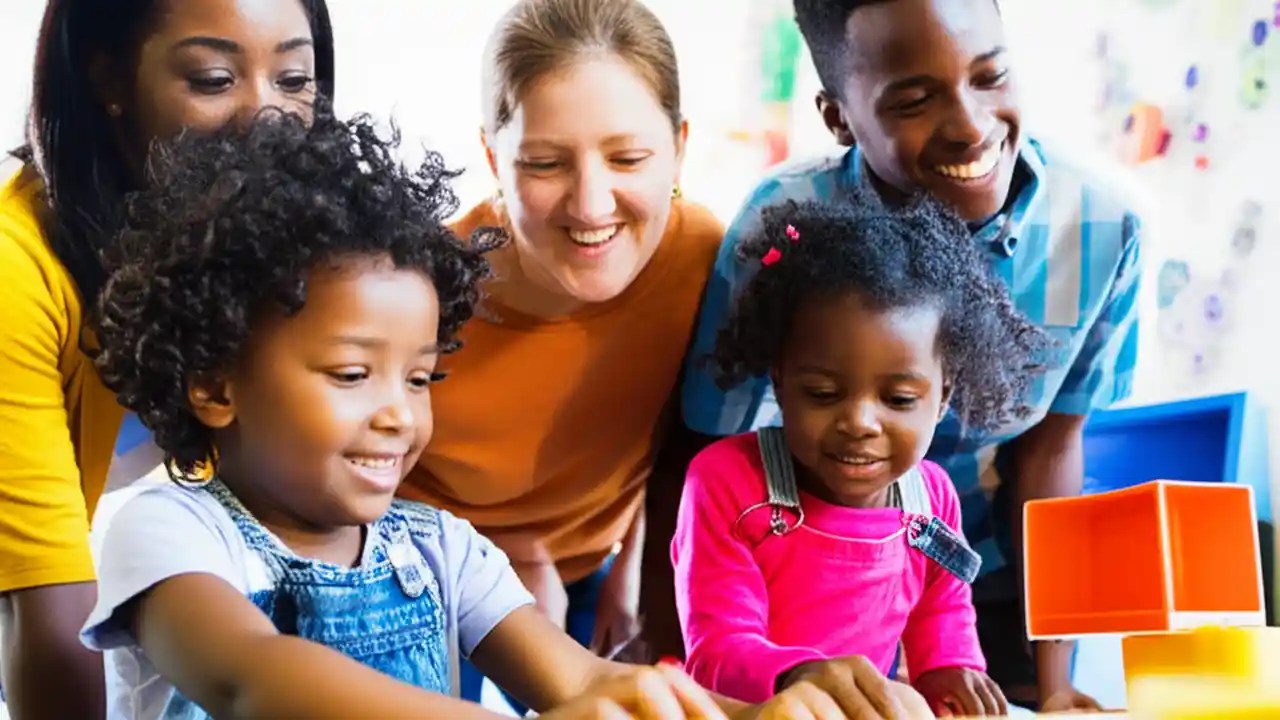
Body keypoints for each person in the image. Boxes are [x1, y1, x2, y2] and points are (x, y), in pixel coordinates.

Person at [678, 0, 1143, 711]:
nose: (968, 125)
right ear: (837, 115)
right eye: (917, 99)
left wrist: (1049, 685)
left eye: (990, 77)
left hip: (986, 574)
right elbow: (702, 453)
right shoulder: (779, 224)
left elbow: (1049, 458)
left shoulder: (1106, 229)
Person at [0, 1, 334, 716]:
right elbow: (50, 619)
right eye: (214, 79)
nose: (267, 116)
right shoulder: (13, 274)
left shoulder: (267, 239)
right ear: (108, 80)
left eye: (294, 77)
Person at [397, 0, 723, 706]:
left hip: (594, 567)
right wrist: (492, 568)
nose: (591, 204)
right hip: (418, 568)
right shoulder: (416, 290)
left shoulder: (708, 262)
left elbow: (686, 431)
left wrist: (639, 563)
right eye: (545, 164)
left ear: (679, 147)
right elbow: (330, 480)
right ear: (492, 157)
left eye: (628, 158)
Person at [674, 196, 1048, 716]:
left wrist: (948, 667)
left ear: (941, 397)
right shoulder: (727, 482)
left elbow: (940, 607)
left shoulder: (931, 498)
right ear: (780, 378)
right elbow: (717, 651)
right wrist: (799, 677)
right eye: (824, 393)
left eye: (898, 400)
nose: (859, 423)